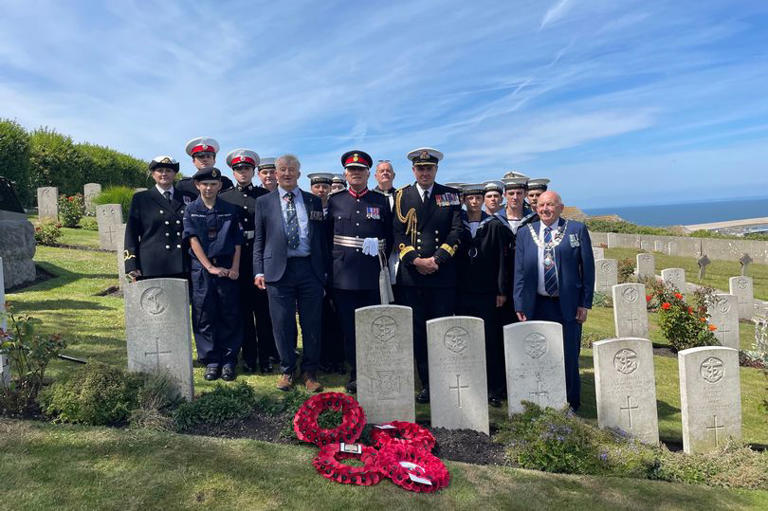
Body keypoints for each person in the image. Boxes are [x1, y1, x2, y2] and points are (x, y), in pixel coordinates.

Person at [513, 190, 595, 411]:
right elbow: (519, 271)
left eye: (549, 205)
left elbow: (587, 269)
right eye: (541, 205)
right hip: (536, 304)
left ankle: (571, 403)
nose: (545, 209)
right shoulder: (525, 233)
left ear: (560, 208)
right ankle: (540, 402)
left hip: (567, 304)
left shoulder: (576, 230)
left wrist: (584, 303)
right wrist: (519, 303)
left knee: (568, 355)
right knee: (538, 354)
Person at [253, 154, 328, 393]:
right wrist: (258, 270)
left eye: (291, 169)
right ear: (276, 173)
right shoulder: (263, 202)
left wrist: (324, 271)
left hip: (309, 269)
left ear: (299, 173)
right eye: (283, 170)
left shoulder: (313, 201)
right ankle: (287, 369)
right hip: (277, 271)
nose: (287, 173)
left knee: (312, 323)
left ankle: (310, 372)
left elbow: (321, 239)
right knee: (282, 323)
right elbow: (259, 239)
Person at [393, 147, 462, 403]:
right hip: (413, 276)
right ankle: (426, 384)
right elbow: (397, 232)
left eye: (429, 168)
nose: (425, 172)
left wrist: (437, 259)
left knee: (441, 330)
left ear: (436, 169)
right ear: (413, 170)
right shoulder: (402, 195)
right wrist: (416, 260)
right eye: (420, 168)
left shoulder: (450, 195)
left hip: (441, 274)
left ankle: (444, 380)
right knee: (418, 332)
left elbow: (456, 231)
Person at [327, 150, 393, 393]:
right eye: (351, 170)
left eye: (360, 170)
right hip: (343, 275)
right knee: (349, 328)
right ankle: (355, 372)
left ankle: (374, 368)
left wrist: (380, 251)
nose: (356, 173)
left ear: (368, 174)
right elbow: (326, 238)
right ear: (345, 174)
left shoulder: (380, 201)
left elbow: (390, 235)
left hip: (370, 275)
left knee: (372, 326)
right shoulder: (335, 201)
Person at [182, 166, 243, 381]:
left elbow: (237, 242)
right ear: (197, 185)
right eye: (204, 184)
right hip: (202, 270)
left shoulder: (230, 209)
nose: (208, 188)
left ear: (219, 186)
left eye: (213, 184)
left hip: (226, 268)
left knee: (230, 314)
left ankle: (228, 360)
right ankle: (211, 360)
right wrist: (209, 267)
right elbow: (193, 240)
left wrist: (235, 268)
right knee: (204, 315)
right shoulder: (191, 210)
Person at [219, 148, 276, 374]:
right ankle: (249, 356)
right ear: (233, 172)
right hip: (237, 260)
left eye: (247, 168)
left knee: (264, 312)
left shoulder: (265, 196)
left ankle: (266, 356)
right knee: (243, 312)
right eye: (238, 169)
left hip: (260, 258)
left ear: (253, 171)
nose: (243, 172)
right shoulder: (224, 197)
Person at [455, 183, 510, 407]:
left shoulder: (494, 226)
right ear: (464, 201)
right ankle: (470, 385)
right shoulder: (457, 224)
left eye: (478, 198)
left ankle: (493, 388)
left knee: (490, 341)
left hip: (487, 292)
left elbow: (501, 261)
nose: (474, 202)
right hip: (462, 292)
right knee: (465, 340)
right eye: (470, 198)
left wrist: (501, 290)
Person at [124, 156, 190, 281]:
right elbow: (131, 234)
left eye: (169, 170)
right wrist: (131, 264)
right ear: (153, 174)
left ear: (175, 174)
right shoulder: (141, 199)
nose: (164, 174)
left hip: (182, 264)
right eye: (160, 170)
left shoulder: (187, 198)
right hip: (152, 265)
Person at [307, 172, 345, 375]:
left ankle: (338, 358)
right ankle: (321, 358)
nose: (321, 190)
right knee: (317, 317)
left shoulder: (336, 209)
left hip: (336, 269)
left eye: (325, 187)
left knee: (336, 316)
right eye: (317, 187)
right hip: (313, 270)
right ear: (311, 188)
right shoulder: (306, 209)